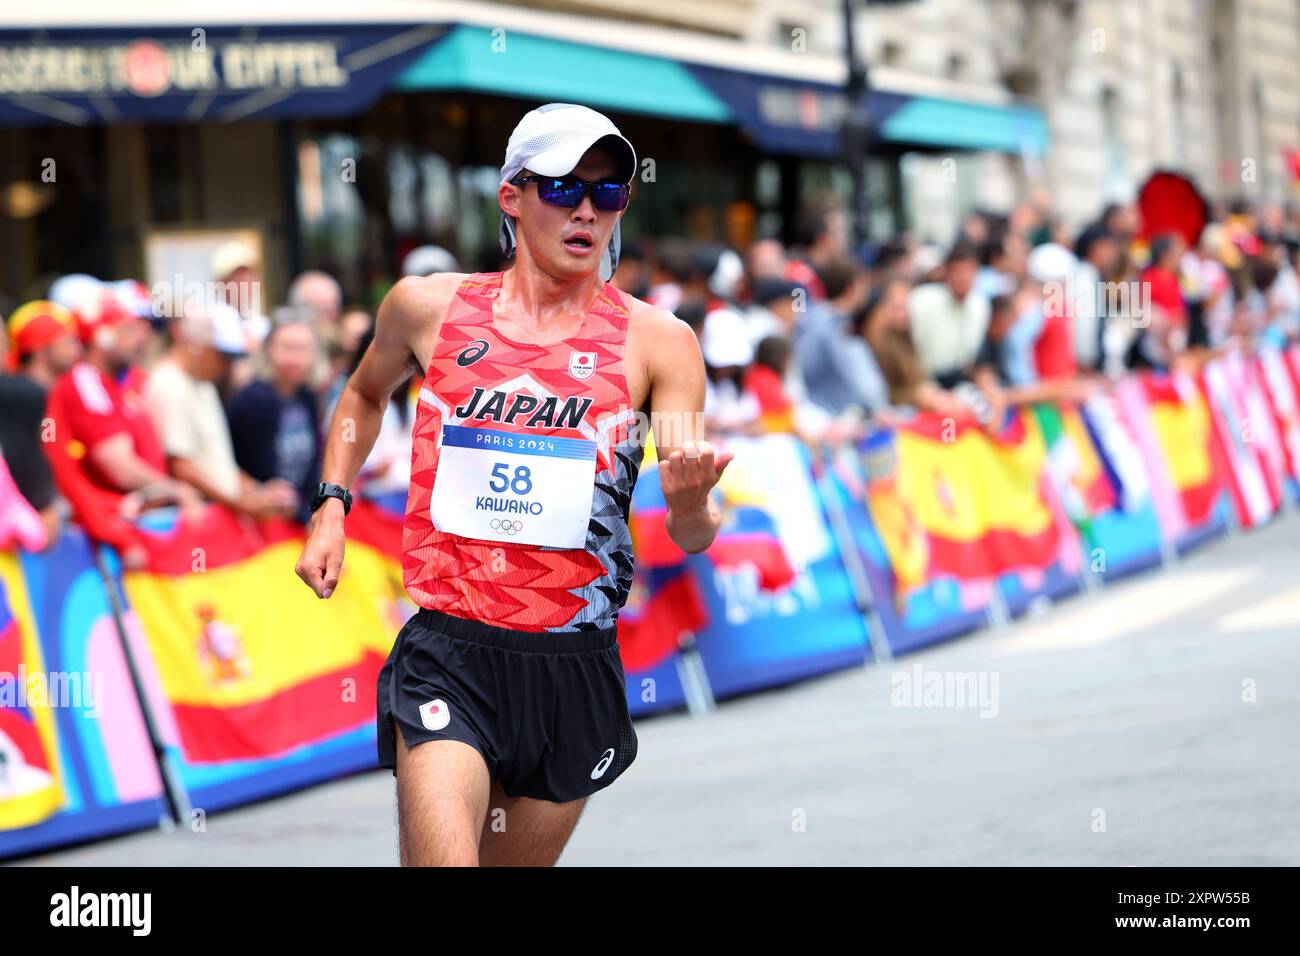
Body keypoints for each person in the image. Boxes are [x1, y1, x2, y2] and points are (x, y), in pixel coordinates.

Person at [294, 103, 730, 867]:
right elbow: (364, 395)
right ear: (512, 196)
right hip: (448, 651)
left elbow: (694, 530)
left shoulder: (659, 342)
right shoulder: (427, 308)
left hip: (571, 664)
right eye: (563, 189)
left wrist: (692, 500)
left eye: (608, 193)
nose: (587, 210)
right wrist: (331, 502)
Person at [144, 303, 298, 520]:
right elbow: (180, 467)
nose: (228, 366)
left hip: (219, 514)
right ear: (196, 346)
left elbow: (218, 463)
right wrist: (243, 504)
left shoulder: (204, 384)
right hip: (200, 520)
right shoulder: (168, 385)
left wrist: (258, 491)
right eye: (222, 356)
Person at [227, 317, 324, 523]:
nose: (294, 358)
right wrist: (257, 491)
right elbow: (230, 461)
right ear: (269, 350)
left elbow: (314, 464)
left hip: (299, 514)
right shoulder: (254, 399)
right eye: (286, 347)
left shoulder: (307, 397)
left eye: (302, 349)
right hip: (261, 516)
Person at [0, 300, 83, 540]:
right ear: (40, 349)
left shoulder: (53, 397)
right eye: (66, 341)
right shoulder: (26, 399)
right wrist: (48, 503)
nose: (76, 349)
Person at [907, 239, 991, 387]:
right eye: (957, 271)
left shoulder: (980, 305)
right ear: (946, 272)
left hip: (960, 381)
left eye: (969, 270)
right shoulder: (922, 300)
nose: (962, 277)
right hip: (922, 381)